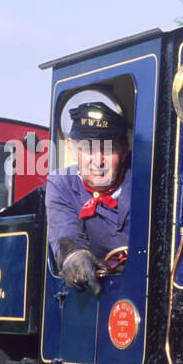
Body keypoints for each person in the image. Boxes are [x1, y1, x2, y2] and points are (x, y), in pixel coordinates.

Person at [45, 102, 132, 296]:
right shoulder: (61, 184)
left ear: (124, 150)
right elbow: (65, 235)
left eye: (108, 149)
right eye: (89, 149)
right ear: (71, 148)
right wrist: (74, 255)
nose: (98, 161)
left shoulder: (143, 177)